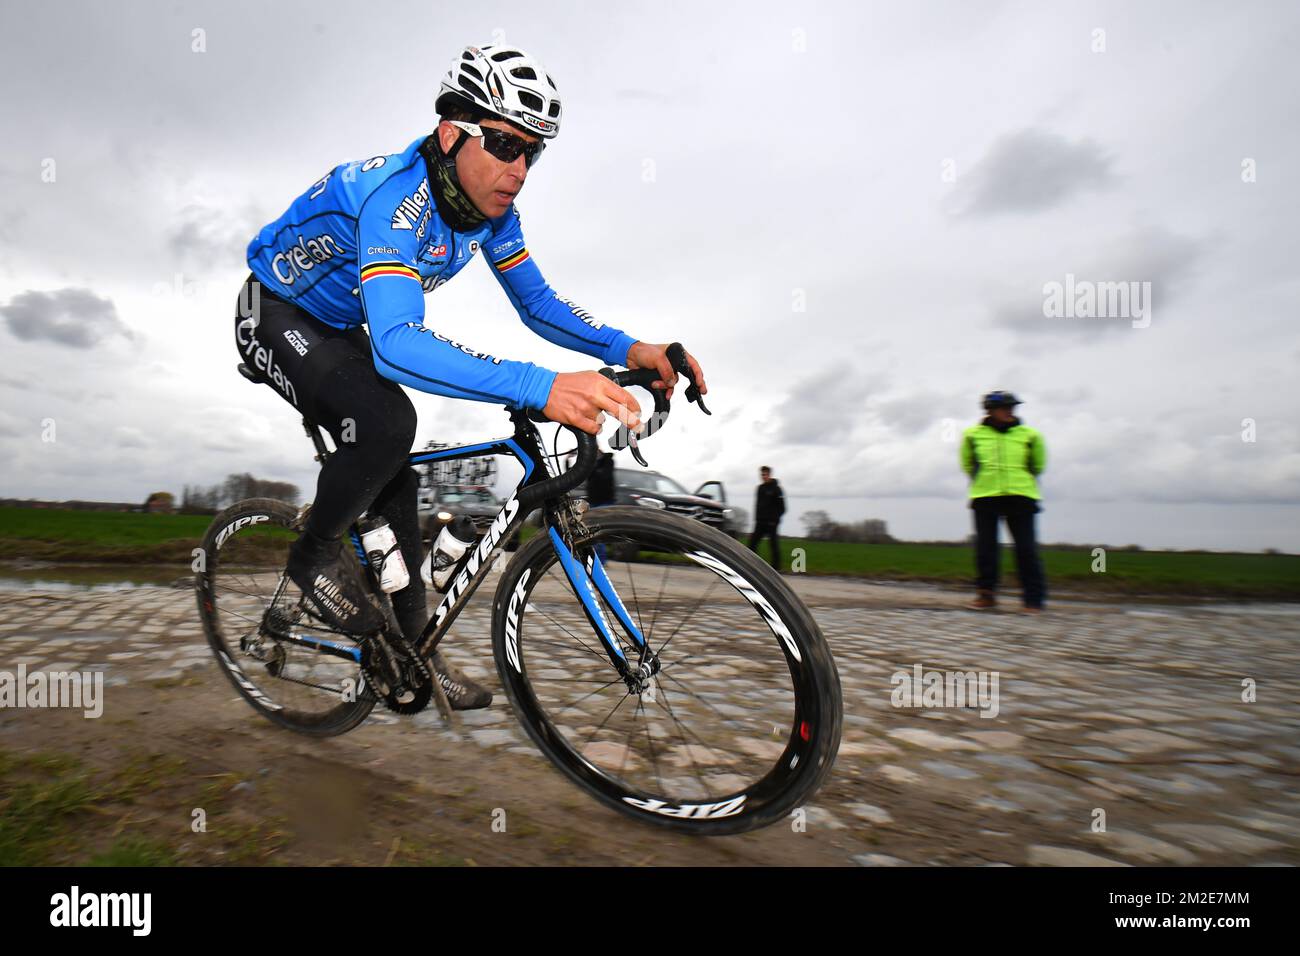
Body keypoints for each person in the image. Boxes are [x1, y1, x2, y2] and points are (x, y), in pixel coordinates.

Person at [232, 43, 707, 708]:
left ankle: (411, 652)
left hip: (340, 328)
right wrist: (540, 385)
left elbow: (538, 305)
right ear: (453, 133)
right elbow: (398, 343)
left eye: (533, 153)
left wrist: (634, 349)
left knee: (397, 484)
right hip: (272, 312)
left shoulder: (491, 214)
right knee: (387, 423)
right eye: (507, 145)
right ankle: (311, 562)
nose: (519, 170)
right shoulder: (393, 199)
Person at [960, 391, 1047, 612]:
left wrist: (1021, 480)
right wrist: (983, 480)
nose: (1010, 411)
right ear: (989, 410)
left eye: (1013, 407)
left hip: (1021, 496)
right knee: (986, 549)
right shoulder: (972, 435)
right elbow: (968, 464)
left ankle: (1033, 599)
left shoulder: (1030, 435)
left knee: (1026, 549)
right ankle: (986, 595)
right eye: (1005, 407)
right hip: (986, 496)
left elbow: (1038, 465)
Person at [748, 466, 785, 571]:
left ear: (770, 475)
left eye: (765, 474)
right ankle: (751, 565)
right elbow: (757, 505)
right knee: (752, 543)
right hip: (760, 521)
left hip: (771, 523)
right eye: (762, 475)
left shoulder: (777, 489)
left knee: (773, 545)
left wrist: (775, 520)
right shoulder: (760, 488)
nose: (763, 477)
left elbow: (782, 508)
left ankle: (776, 568)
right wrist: (756, 519)